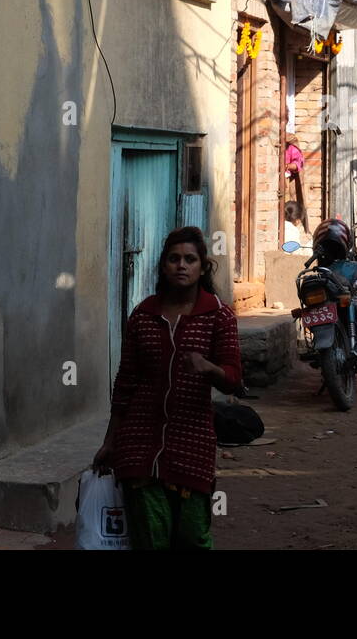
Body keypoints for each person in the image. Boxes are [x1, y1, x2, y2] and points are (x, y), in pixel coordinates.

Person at [92, 226, 242, 550]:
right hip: (139, 442)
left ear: (203, 267)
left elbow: (234, 378)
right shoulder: (143, 316)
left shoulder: (219, 316)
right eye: (174, 259)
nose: (182, 266)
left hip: (193, 442)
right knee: (150, 539)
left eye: (190, 259)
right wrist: (110, 440)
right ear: (163, 265)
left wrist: (208, 367)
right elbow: (125, 381)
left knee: (193, 537)